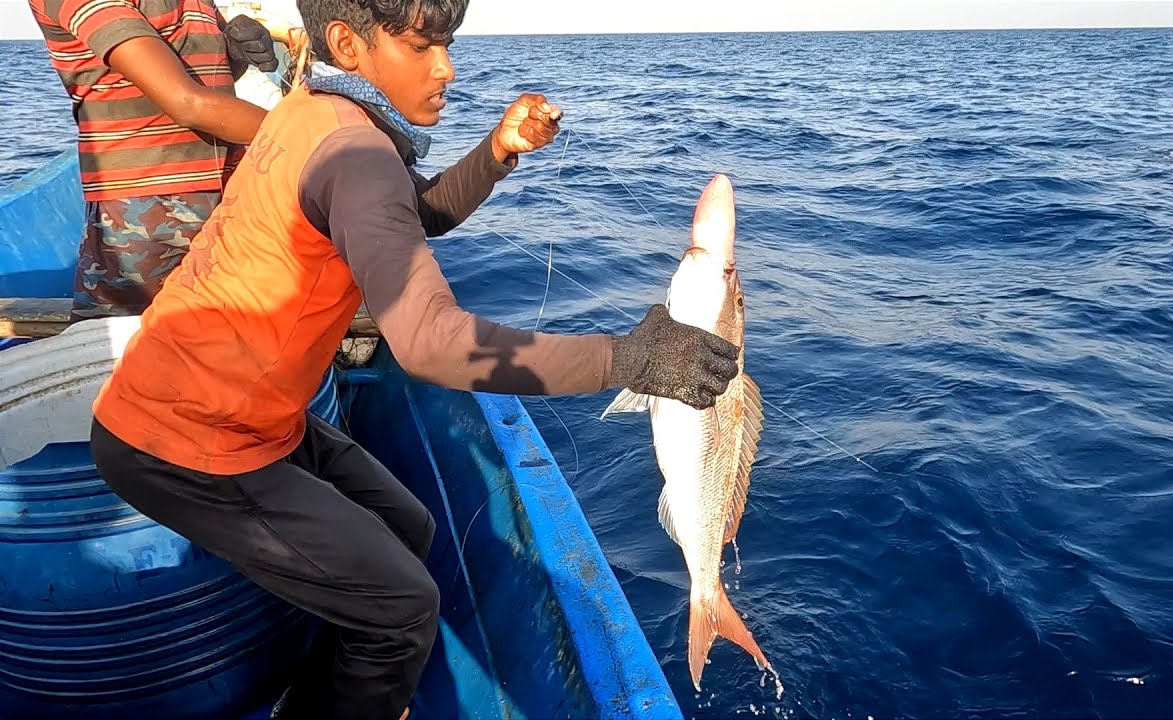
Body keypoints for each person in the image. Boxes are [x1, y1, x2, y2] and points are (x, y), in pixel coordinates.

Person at [85, 0, 741, 717]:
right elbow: (429, 342)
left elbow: (410, 212)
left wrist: (496, 151)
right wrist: (629, 360)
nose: (447, 67)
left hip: (234, 408)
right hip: (187, 443)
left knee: (409, 528)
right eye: (422, 46)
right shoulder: (356, 153)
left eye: (448, 44)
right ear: (346, 42)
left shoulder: (317, 111)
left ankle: (334, 691)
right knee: (401, 610)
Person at [27, 0, 281, 320]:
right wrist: (309, 137)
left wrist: (233, 52)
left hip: (231, 197)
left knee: (237, 340)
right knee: (122, 350)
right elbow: (187, 102)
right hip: (144, 214)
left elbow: (201, 80)